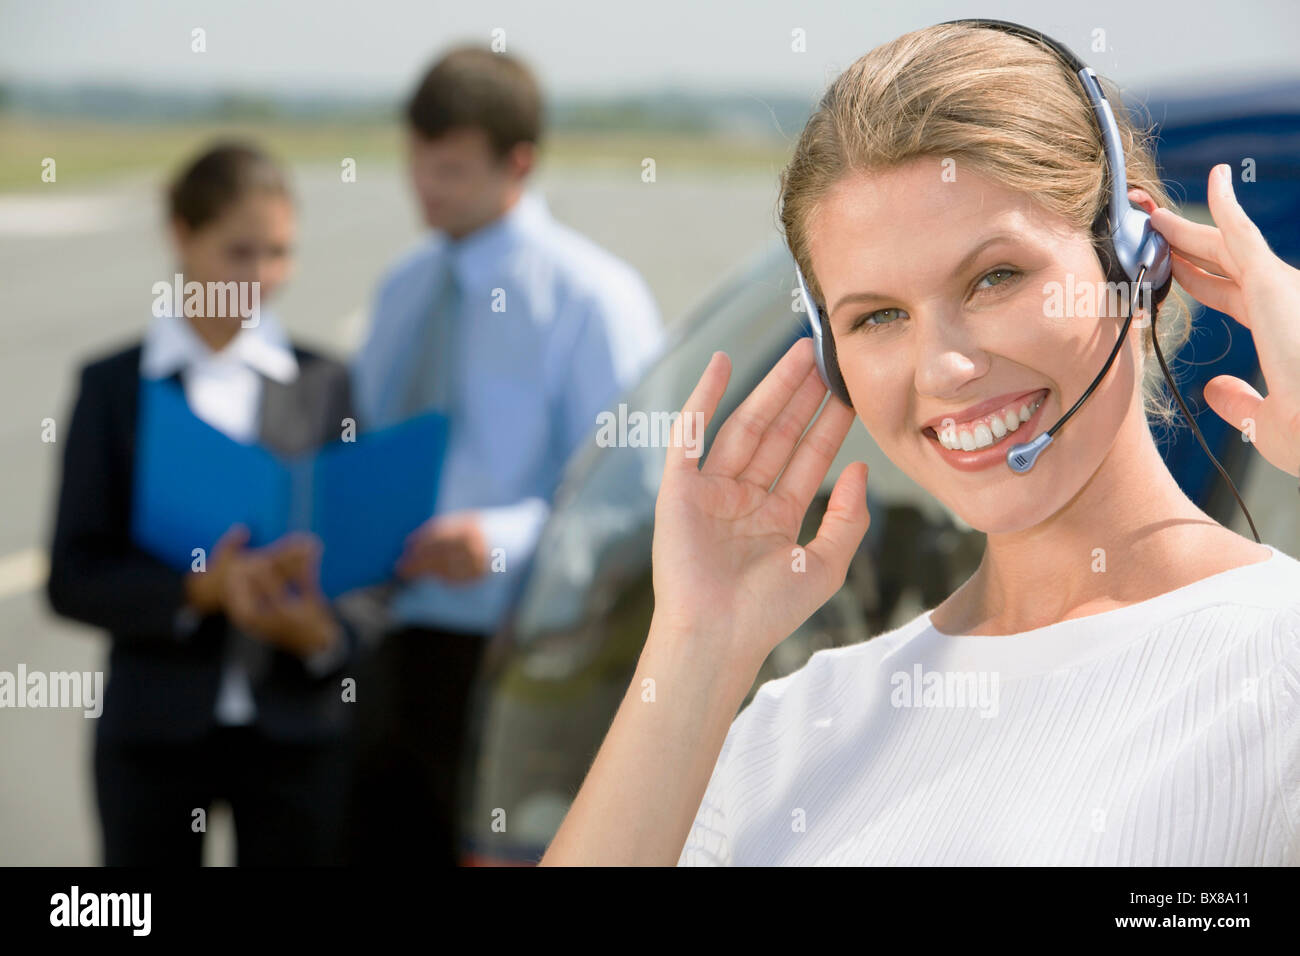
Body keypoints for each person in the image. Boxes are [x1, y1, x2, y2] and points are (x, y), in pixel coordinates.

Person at [539, 22, 1300, 866]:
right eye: (879, 317)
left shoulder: (1279, 658)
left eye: (995, 278)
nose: (943, 370)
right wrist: (698, 643)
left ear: (1137, 263)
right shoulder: (793, 725)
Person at [346, 46, 665, 865]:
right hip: (378, 641)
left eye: (450, 170)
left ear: (517, 163)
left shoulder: (593, 299)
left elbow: (630, 494)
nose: (426, 188)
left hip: (507, 650)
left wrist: (502, 543)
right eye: (417, 164)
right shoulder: (402, 285)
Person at [46, 142, 361, 866]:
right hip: (153, 736)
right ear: (180, 234)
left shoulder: (327, 386)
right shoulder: (114, 389)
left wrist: (321, 633)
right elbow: (72, 575)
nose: (260, 276)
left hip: (297, 734)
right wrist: (199, 589)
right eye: (239, 250)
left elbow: (369, 572)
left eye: (279, 253)